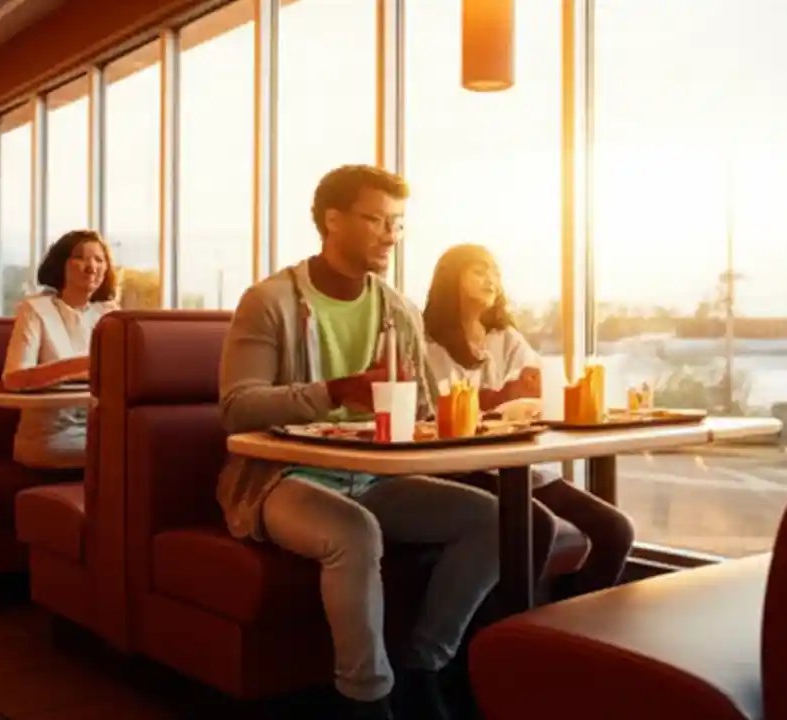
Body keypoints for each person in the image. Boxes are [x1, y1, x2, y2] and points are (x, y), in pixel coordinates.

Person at [218, 165, 500, 720]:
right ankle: (366, 700)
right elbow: (237, 409)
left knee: (496, 518)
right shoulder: (269, 300)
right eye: (374, 219)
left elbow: (420, 411)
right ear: (332, 221)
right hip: (283, 480)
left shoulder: (398, 308)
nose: (389, 234)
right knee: (354, 531)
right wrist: (338, 391)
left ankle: (424, 666)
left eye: (396, 223)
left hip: (376, 477)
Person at [423, 243, 635, 595]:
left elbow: (539, 392)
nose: (491, 280)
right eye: (479, 271)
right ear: (450, 280)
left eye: (495, 273)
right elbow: (434, 415)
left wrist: (536, 393)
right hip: (466, 470)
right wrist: (500, 399)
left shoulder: (505, 338)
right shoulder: (426, 344)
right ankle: (507, 630)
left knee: (616, 530)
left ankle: (565, 625)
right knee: (536, 527)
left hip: (523, 469)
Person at [2, 229, 118, 469]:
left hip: (97, 430)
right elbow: (13, 378)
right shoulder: (34, 309)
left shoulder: (110, 316)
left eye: (99, 259)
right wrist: (83, 364)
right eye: (81, 258)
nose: (92, 267)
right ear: (60, 264)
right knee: (127, 455)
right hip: (50, 436)